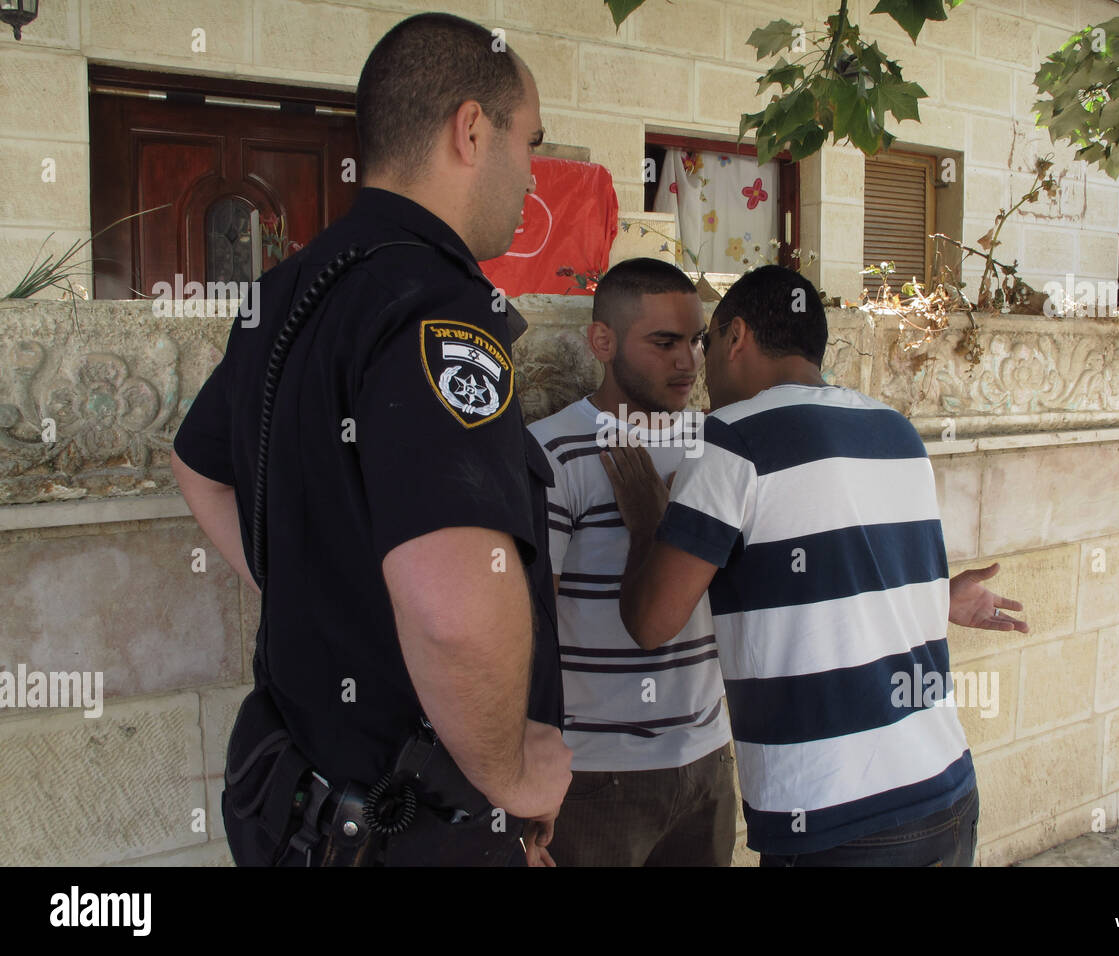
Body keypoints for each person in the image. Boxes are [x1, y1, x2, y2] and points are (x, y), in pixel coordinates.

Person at [170, 12, 570, 867]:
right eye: (530, 143)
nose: (533, 178)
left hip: (298, 808)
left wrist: (311, 583)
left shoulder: (282, 293)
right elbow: (457, 612)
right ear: (472, 129)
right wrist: (512, 776)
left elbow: (196, 467)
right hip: (416, 824)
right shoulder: (438, 308)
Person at [608, 265, 1029, 866]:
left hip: (838, 823)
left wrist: (648, 519)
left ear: (736, 337)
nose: (698, 367)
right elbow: (843, 577)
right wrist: (935, 597)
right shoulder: (896, 433)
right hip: (946, 792)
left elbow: (652, 623)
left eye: (706, 342)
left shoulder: (728, 440)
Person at [528, 258, 736, 866]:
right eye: (664, 342)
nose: (689, 362)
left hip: (706, 762)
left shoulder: (715, 446)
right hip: (596, 779)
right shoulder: (553, 453)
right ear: (603, 341)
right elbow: (527, 632)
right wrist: (526, 783)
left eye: (696, 341)